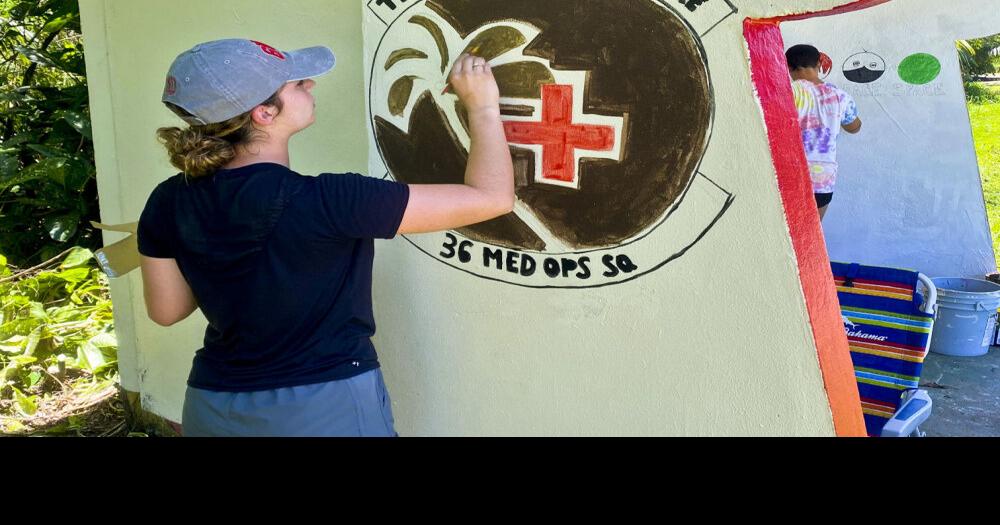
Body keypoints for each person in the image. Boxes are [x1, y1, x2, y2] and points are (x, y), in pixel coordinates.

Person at [137, 39, 514, 436]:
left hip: (213, 404)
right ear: (264, 112)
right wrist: (483, 107)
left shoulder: (166, 200)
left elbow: (167, 310)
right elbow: (492, 198)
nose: (311, 85)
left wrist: (218, 251)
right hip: (320, 407)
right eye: (296, 83)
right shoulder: (331, 201)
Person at [786, 44, 862, 220]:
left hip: (791, 173)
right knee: (811, 234)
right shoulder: (839, 96)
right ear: (819, 63)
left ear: (787, 66)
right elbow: (854, 127)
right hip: (822, 178)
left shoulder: (787, 93)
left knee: (785, 233)